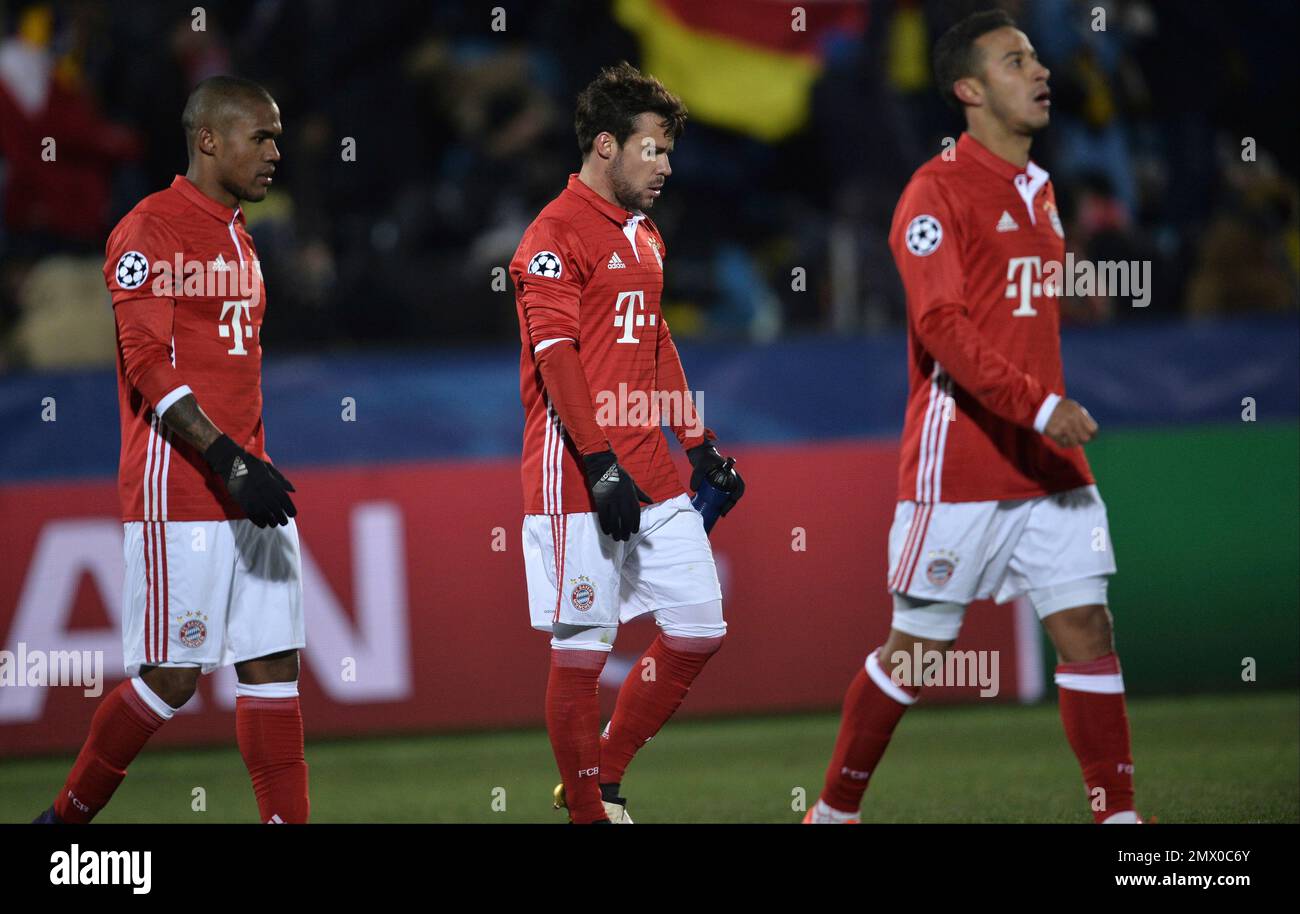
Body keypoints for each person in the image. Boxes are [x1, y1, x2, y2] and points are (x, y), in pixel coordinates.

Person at [806, 10, 1139, 824]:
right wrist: (1042, 402)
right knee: (916, 655)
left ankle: (1120, 819)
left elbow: (1015, 310)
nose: (1040, 71)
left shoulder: (1041, 188)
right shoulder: (934, 193)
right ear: (968, 89)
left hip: (1048, 466)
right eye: (1015, 60)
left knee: (1088, 628)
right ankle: (833, 815)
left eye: (1035, 57)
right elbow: (940, 327)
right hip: (961, 463)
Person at [34, 75, 308, 825]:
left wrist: (249, 460)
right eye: (262, 136)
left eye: (279, 136)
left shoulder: (238, 235)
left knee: (274, 668)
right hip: (184, 484)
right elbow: (147, 364)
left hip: (252, 482)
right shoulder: (148, 229)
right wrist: (227, 458)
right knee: (171, 678)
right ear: (209, 139)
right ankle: (62, 824)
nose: (276, 151)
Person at [509, 62, 744, 824]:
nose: (667, 167)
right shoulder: (551, 237)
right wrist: (596, 459)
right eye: (654, 150)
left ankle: (601, 773)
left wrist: (698, 441)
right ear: (606, 146)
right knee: (581, 645)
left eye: (669, 152)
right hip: (577, 471)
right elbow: (556, 356)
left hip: (649, 466)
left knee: (701, 626)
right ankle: (588, 811)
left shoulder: (644, 235)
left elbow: (656, 341)